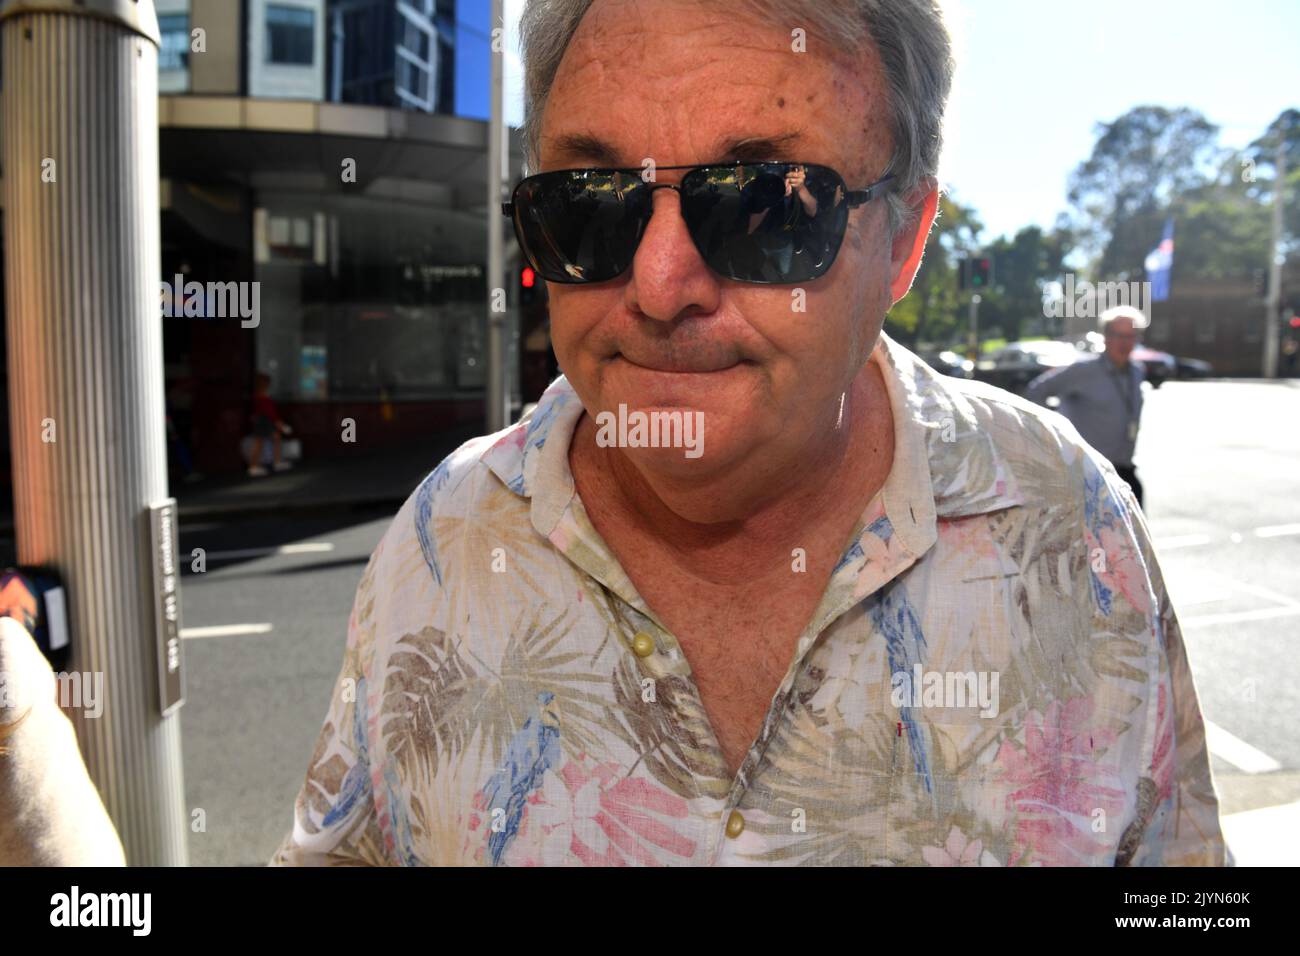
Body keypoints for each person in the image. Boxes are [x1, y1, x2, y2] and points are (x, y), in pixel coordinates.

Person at [272, 0, 1226, 867]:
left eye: (766, 205)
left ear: (903, 239)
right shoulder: (444, 538)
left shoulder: (1067, 522)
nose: (657, 284)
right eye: (590, 201)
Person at [1026, 306, 1147, 507]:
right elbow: (1036, 391)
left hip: (1123, 472)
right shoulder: (1083, 371)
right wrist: (1055, 430)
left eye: (1131, 336)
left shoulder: (1136, 372)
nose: (1125, 342)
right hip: (1086, 475)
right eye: (1119, 335)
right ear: (1105, 336)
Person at [248, 371, 293, 478]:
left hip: (262, 421)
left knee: (273, 439)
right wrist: (281, 425)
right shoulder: (264, 399)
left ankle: (275, 462)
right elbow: (272, 414)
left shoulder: (257, 397)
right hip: (264, 422)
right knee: (261, 443)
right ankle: (254, 466)